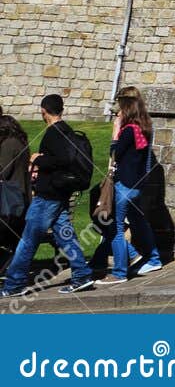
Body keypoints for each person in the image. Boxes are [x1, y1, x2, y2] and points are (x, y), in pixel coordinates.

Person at [1, 95, 95, 296]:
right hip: (59, 194)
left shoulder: (53, 133)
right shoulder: (66, 130)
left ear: (44, 110)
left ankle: (14, 285)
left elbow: (62, 159)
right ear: (61, 109)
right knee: (65, 235)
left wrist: (39, 159)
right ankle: (82, 274)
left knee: (28, 240)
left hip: (48, 195)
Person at [93, 93, 163, 286]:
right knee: (136, 221)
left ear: (127, 111)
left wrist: (116, 133)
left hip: (124, 185)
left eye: (120, 110)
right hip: (136, 187)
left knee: (115, 228)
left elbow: (115, 153)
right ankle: (142, 257)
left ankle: (119, 272)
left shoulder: (127, 131)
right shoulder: (143, 129)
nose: (118, 113)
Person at [0, 115, 31, 265]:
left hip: (9, 200)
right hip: (21, 197)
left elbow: (3, 171)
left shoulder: (8, 144)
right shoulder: (21, 142)